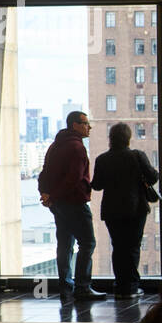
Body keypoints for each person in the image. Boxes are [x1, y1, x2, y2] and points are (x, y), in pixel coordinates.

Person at [38, 109, 105, 301]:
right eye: (85, 123)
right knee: (88, 242)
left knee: (65, 244)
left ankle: (65, 286)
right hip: (74, 202)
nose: (89, 127)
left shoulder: (54, 146)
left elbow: (44, 174)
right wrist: (55, 196)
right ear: (74, 125)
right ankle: (83, 287)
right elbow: (74, 179)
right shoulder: (77, 148)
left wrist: (46, 195)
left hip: (58, 204)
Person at [91, 122, 158, 296]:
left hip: (112, 211)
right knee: (132, 247)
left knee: (118, 247)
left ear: (110, 138)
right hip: (135, 209)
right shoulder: (137, 156)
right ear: (128, 138)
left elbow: (97, 185)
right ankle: (130, 287)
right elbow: (152, 178)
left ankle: (120, 286)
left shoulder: (102, 159)